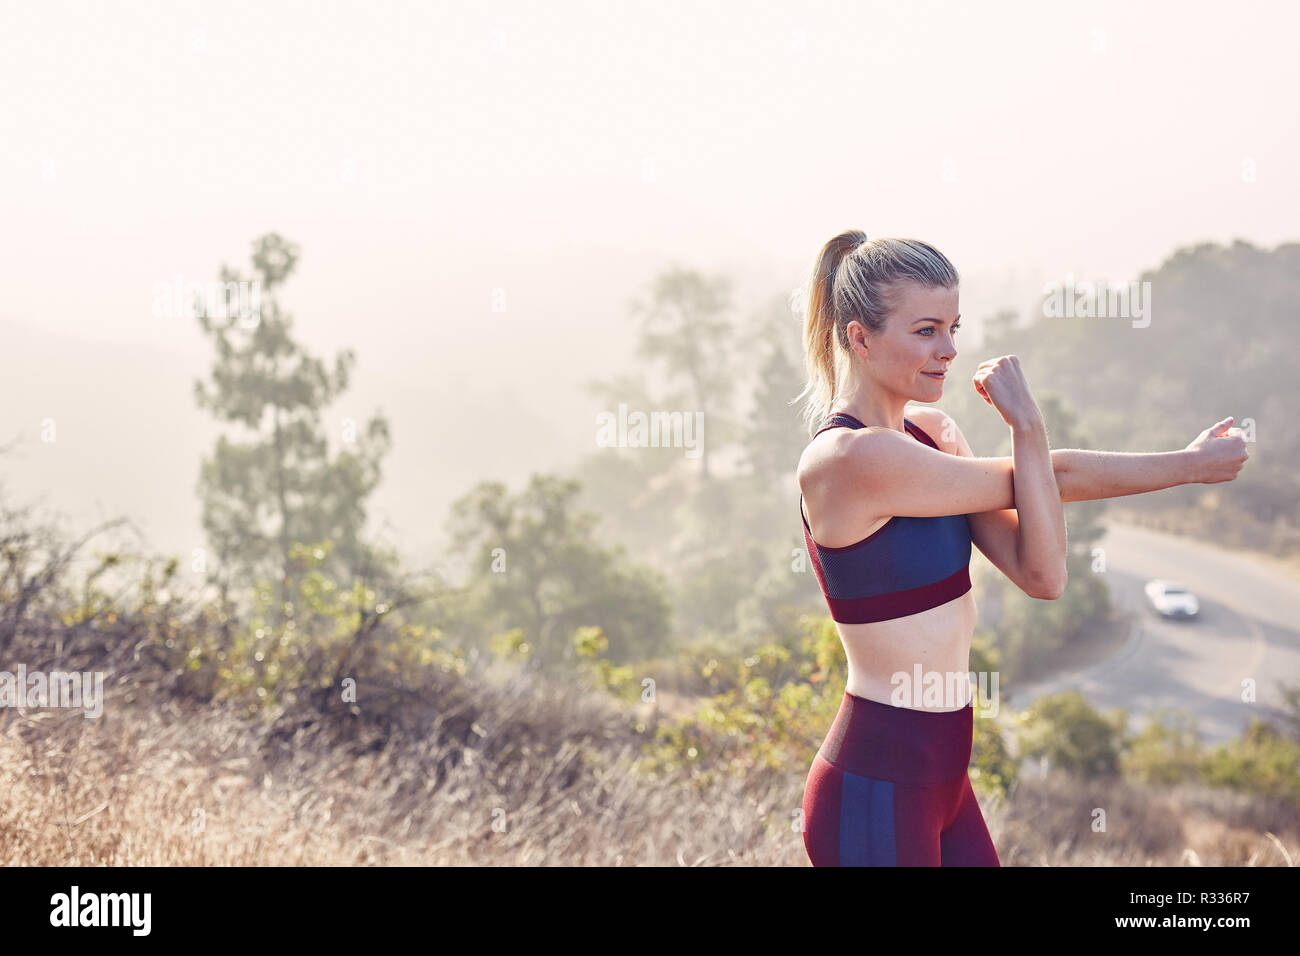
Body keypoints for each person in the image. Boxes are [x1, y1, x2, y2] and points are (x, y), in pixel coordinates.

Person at [794, 230, 1250, 866]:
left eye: (953, 327)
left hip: (946, 778)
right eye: (926, 330)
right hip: (876, 788)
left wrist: (1027, 442)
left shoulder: (931, 434)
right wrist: (1180, 463)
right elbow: (1050, 479)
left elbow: (1043, 574)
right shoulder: (847, 459)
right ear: (858, 337)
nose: (949, 350)